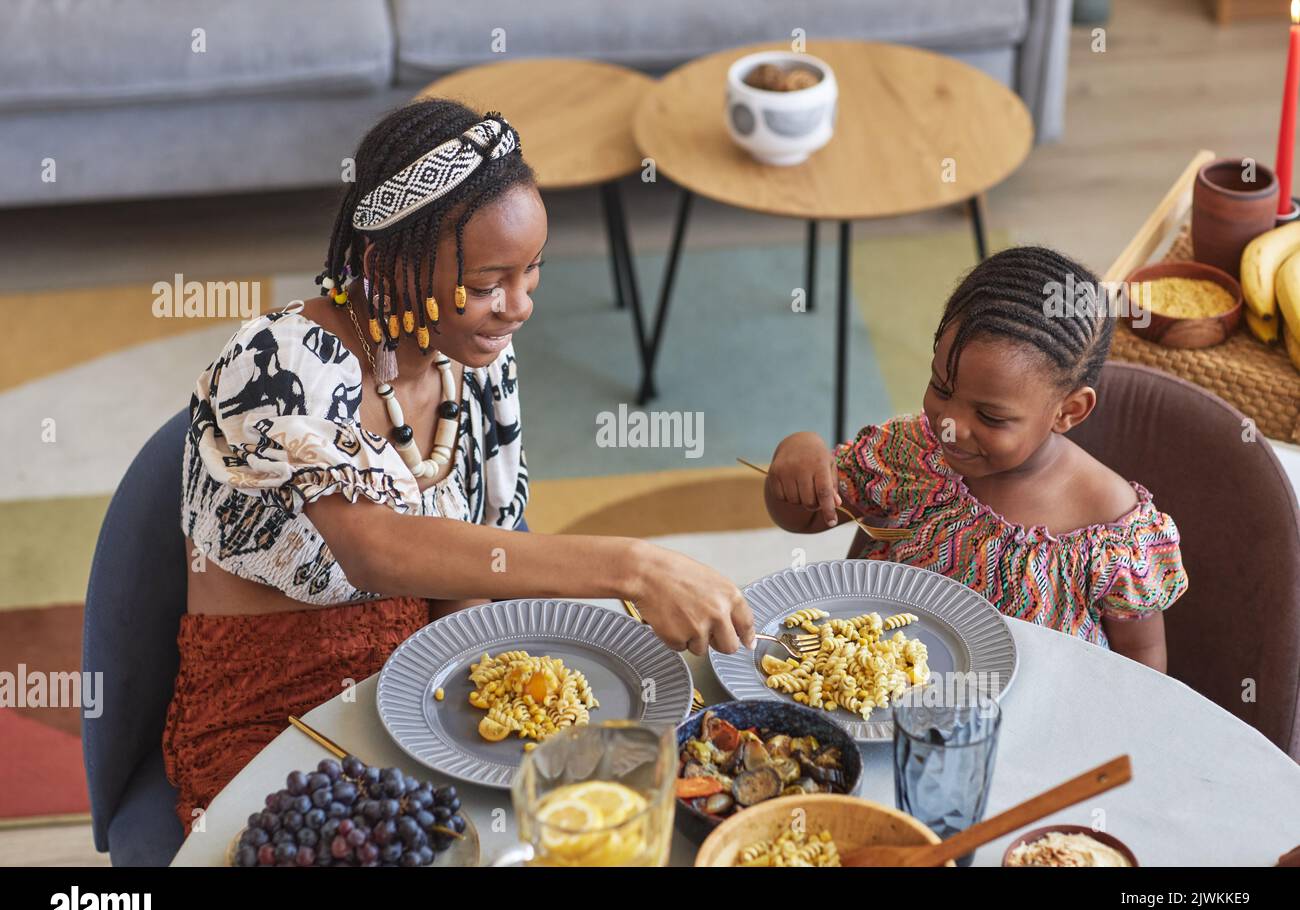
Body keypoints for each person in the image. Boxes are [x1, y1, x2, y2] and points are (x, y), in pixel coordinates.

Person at [164, 99, 753, 830]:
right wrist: (631, 567)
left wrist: (505, 693)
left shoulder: (474, 361)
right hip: (272, 704)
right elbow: (377, 550)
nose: (518, 306)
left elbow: (473, 564)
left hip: (417, 671)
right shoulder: (280, 363)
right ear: (385, 264)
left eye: (532, 272)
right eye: (485, 283)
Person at [764, 246, 1187, 670]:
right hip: (870, 693)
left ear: (1068, 411)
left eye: (990, 416)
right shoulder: (910, 451)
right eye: (941, 388)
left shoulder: (1113, 530)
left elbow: (1143, 660)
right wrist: (796, 458)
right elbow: (804, 517)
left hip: (1029, 722)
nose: (951, 425)